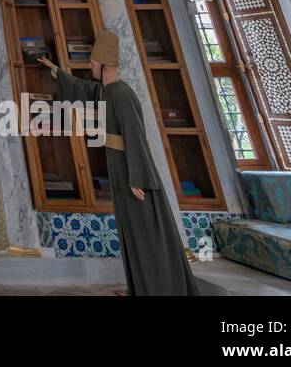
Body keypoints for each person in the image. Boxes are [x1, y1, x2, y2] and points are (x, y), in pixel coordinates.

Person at [39, 29, 199, 296]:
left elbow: (135, 137)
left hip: (132, 176)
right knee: (132, 235)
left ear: (103, 66)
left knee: (146, 235)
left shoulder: (121, 95)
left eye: (92, 62)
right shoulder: (106, 91)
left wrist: (139, 178)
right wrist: (56, 70)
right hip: (122, 170)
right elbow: (83, 88)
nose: (89, 65)